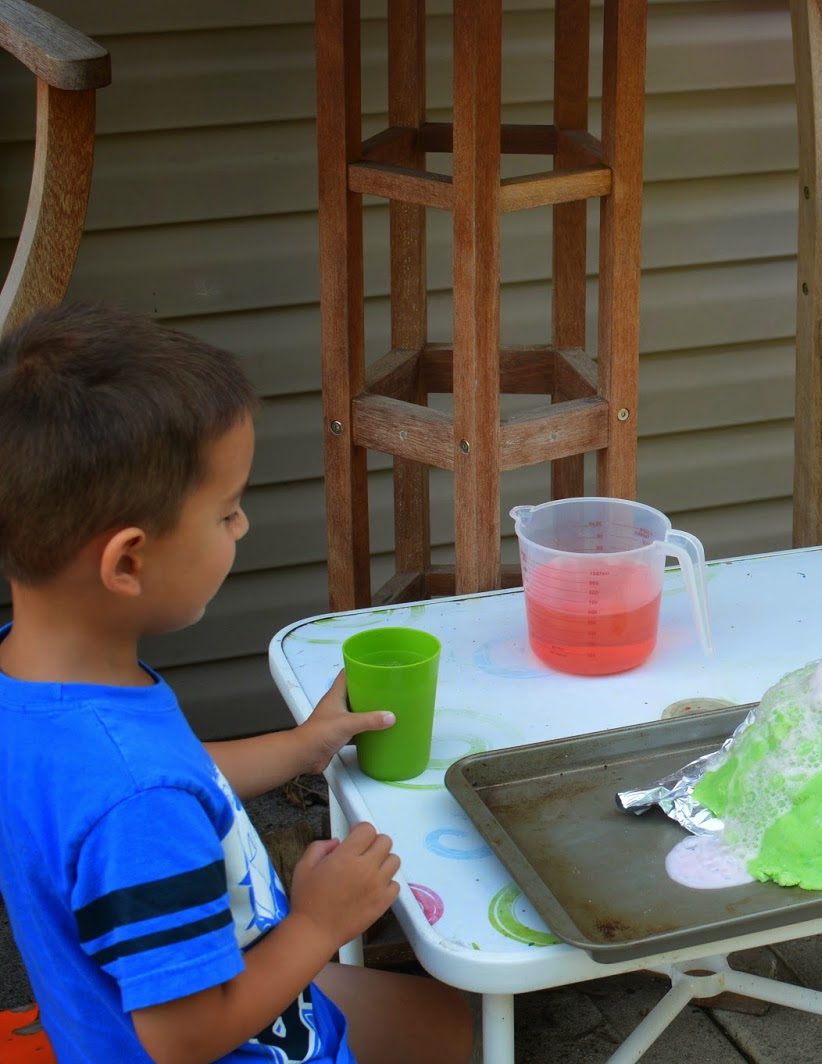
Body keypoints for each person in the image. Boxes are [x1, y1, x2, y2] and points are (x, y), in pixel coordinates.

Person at [0, 304, 474, 1064]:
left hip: (123, 1015)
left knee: (458, 1024)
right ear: (127, 561)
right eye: (226, 513)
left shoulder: (37, 686)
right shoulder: (136, 804)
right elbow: (183, 1039)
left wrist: (300, 746)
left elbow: (177, 774)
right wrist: (319, 925)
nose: (243, 528)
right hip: (217, 1039)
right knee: (480, 1031)